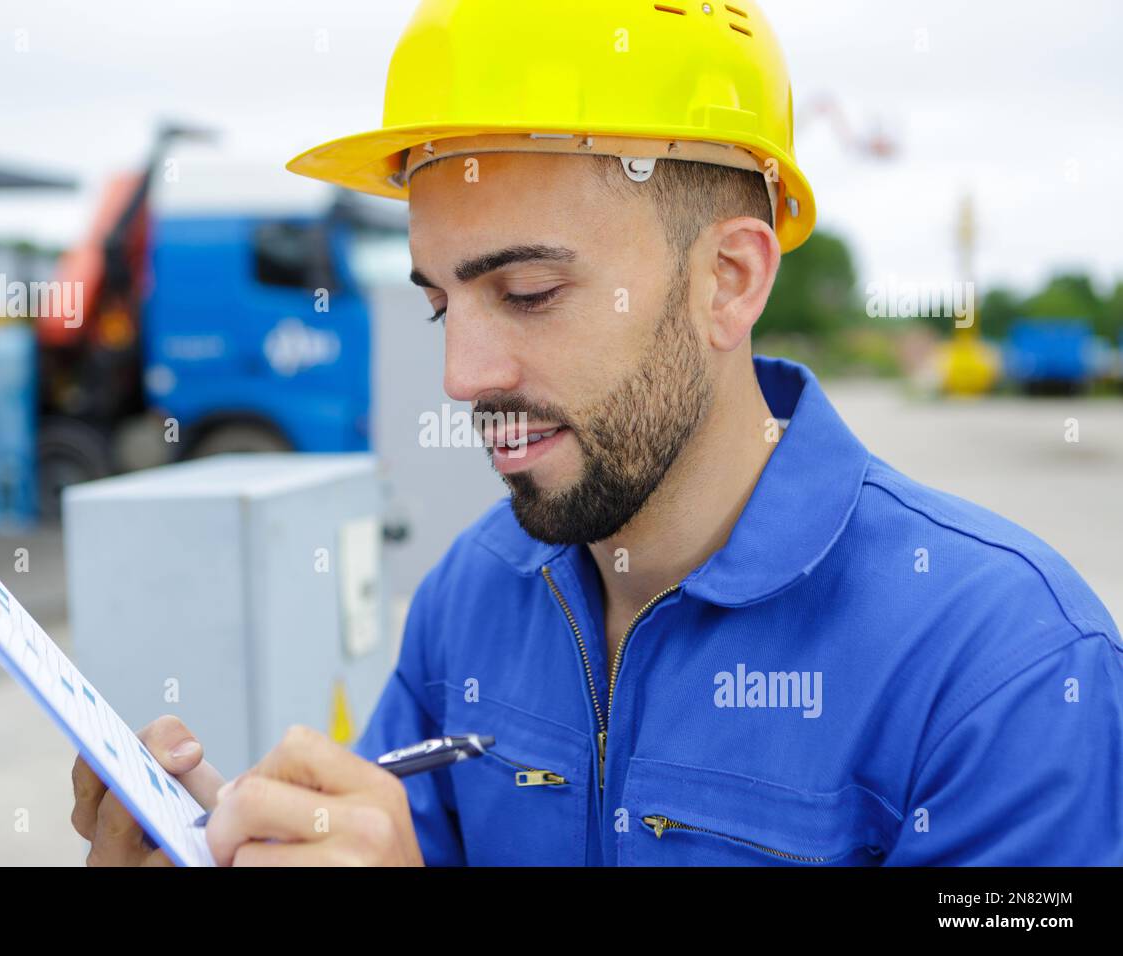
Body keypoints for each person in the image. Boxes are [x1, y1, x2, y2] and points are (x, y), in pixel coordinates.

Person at [72, 0, 1123, 865]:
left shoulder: (1005, 671)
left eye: (527, 291)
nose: (461, 376)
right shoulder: (473, 595)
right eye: (442, 302)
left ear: (729, 280)